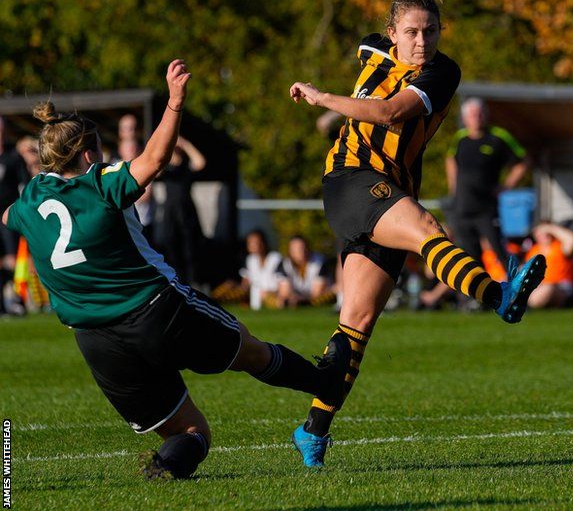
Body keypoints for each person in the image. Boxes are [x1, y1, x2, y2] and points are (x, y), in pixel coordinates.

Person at [2, 61, 346, 479]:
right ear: (89, 152)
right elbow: (154, 159)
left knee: (190, 431)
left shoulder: (27, 204)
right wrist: (176, 102)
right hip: (157, 311)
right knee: (249, 350)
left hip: (97, 343)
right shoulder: (101, 182)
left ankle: (169, 465)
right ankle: (325, 383)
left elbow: (8, 217)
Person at [286, 0, 546, 467]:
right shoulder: (372, 49)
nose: (422, 42)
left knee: (356, 326)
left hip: (388, 189)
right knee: (429, 230)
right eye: (411, 32)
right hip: (349, 180)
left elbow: (387, 112)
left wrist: (323, 99)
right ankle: (498, 296)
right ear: (392, 32)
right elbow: (385, 42)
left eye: (431, 31)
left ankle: (312, 431)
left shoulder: (442, 74)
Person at [446, 97, 529, 262]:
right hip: (463, 208)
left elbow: (523, 161)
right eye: (472, 115)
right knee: (470, 257)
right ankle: (476, 287)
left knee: (499, 251)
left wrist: (506, 186)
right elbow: (450, 159)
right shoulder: (460, 138)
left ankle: (514, 285)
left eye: (479, 114)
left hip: (486, 208)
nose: (476, 118)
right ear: (465, 118)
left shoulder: (498, 136)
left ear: (485, 115)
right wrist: (453, 186)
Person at [155, 136, 206, 285]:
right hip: (170, 213)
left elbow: (200, 163)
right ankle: (176, 282)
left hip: (187, 210)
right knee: (171, 248)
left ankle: (193, 283)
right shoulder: (166, 168)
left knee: (190, 249)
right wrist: (167, 145)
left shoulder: (186, 166)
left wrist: (186, 144)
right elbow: (156, 171)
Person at [0, 116, 30, 316]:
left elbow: (24, 185)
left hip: (7, 218)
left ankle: (18, 299)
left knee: (13, 260)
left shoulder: (13, 156)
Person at [525, 222, 573, 308]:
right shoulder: (533, 250)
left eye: (546, 232)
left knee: (546, 289)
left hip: (561, 286)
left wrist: (550, 228)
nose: (544, 235)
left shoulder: (559, 247)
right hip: (539, 286)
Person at [278, 235, 333, 307]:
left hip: (316, 297)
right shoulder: (285, 264)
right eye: (296, 249)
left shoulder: (319, 262)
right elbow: (285, 292)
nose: (301, 251)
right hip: (297, 297)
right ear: (290, 251)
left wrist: (302, 300)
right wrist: (292, 298)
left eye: (302, 248)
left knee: (329, 294)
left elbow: (317, 292)